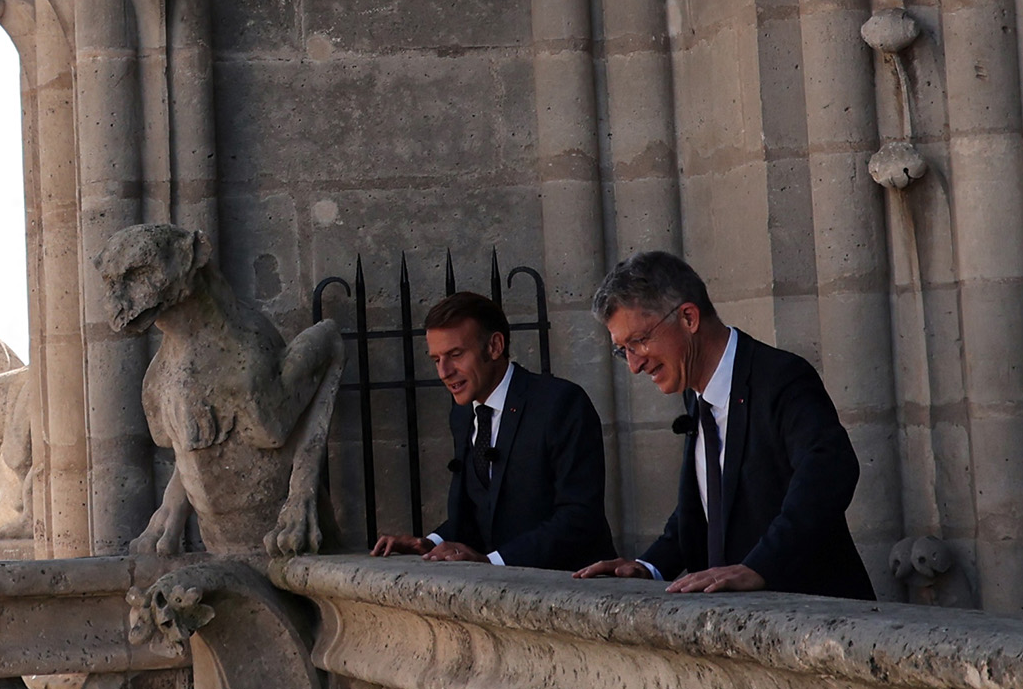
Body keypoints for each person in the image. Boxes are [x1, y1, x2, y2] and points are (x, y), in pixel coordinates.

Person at [572, 251, 870, 600]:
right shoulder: (694, 394)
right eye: (623, 350)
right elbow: (708, 502)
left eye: (639, 341)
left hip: (812, 614)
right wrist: (650, 566)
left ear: (688, 317)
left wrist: (759, 567)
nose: (634, 365)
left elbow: (830, 472)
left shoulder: (781, 378)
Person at [371, 291, 610, 567]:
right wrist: (429, 543)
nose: (444, 372)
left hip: (571, 583)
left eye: (455, 354)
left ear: (495, 346)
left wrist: (493, 561)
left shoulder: (561, 403)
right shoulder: (462, 414)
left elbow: (579, 516)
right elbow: (481, 510)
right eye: (436, 359)